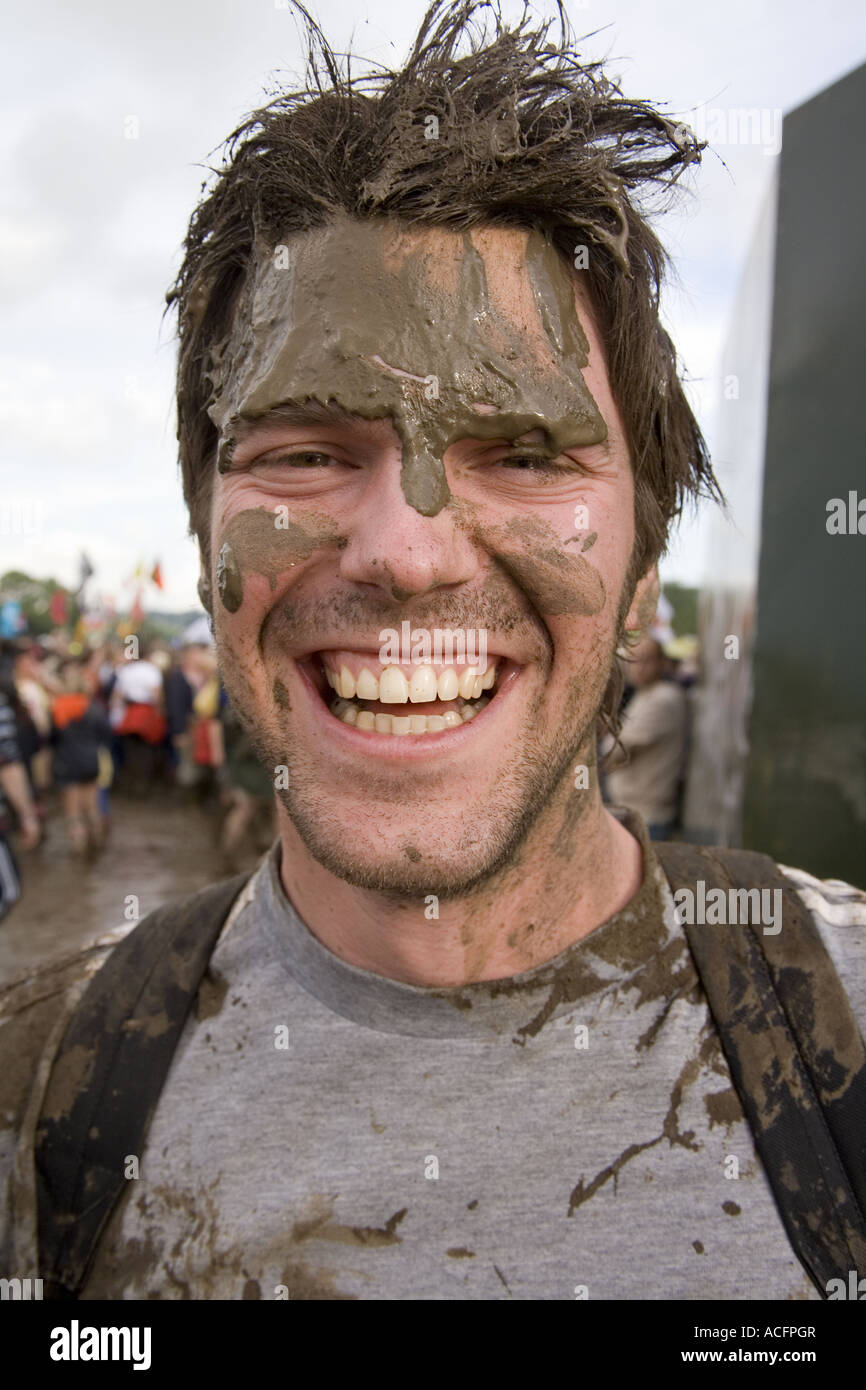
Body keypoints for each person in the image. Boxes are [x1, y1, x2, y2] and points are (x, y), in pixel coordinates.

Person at [1, 2, 863, 1302]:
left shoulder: (841, 1023)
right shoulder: (34, 1096)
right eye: (303, 450)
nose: (406, 553)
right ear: (204, 533)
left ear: (642, 563)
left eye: (524, 453)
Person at [604, 635, 688, 839]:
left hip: (647, 816)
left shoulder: (663, 699)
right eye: (634, 660)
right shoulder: (646, 693)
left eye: (647, 660)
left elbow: (612, 749)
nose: (639, 667)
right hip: (636, 811)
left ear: (663, 663)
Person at [49, 656, 111, 855]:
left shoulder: (58, 708)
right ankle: (98, 844)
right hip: (91, 761)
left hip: (67, 763)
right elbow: (105, 735)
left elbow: (51, 738)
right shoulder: (93, 708)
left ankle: (79, 850)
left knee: (73, 812)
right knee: (93, 807)